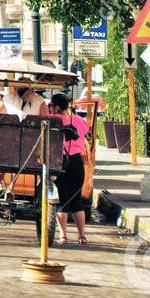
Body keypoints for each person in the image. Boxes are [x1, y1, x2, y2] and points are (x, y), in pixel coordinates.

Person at [50, 92, 90, 245]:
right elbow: (86, 132)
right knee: (76, 199)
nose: (50, 108)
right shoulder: (79, 120)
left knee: (62, 200)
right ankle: (82, 236)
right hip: (77, 162)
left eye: (51, 106)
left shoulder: (52, 120)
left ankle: (63, 236)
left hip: (60, 161)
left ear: (57, 107)